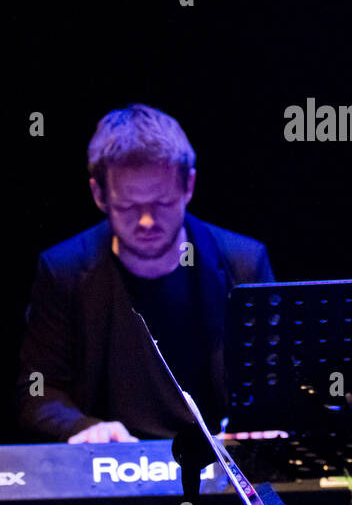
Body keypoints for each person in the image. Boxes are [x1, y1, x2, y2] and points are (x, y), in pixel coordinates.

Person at [17, 103, 275, 443]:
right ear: (99, 194)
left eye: (162, 203)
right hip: (114, 471)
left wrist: (259, 420)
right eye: (128, 206)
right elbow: (37, 389)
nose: (147, 222)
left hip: (220, 468)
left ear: (189, 186)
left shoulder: (243, 262)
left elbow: (274, 379)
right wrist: (83, 428)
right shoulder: (63, 270)